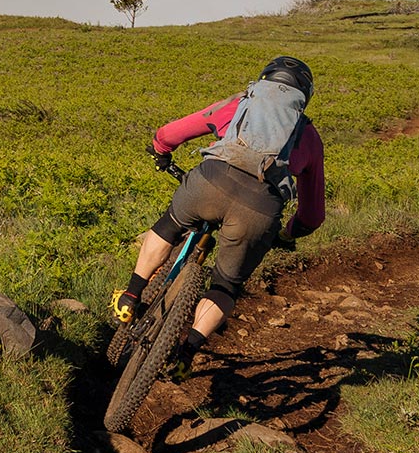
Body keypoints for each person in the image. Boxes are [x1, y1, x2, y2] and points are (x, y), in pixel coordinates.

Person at [112, 55, 326, 378]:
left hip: (211, 182)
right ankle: (187, 352)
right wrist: (289, 233)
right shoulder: (308, 136)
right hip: (259, 210)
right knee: (226, 285)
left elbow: (177, 131)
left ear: (265, 80)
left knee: (169, 225)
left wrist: (160, 148)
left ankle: (129, 297)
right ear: (303, 96)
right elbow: (312, 215)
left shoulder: (241, 104)